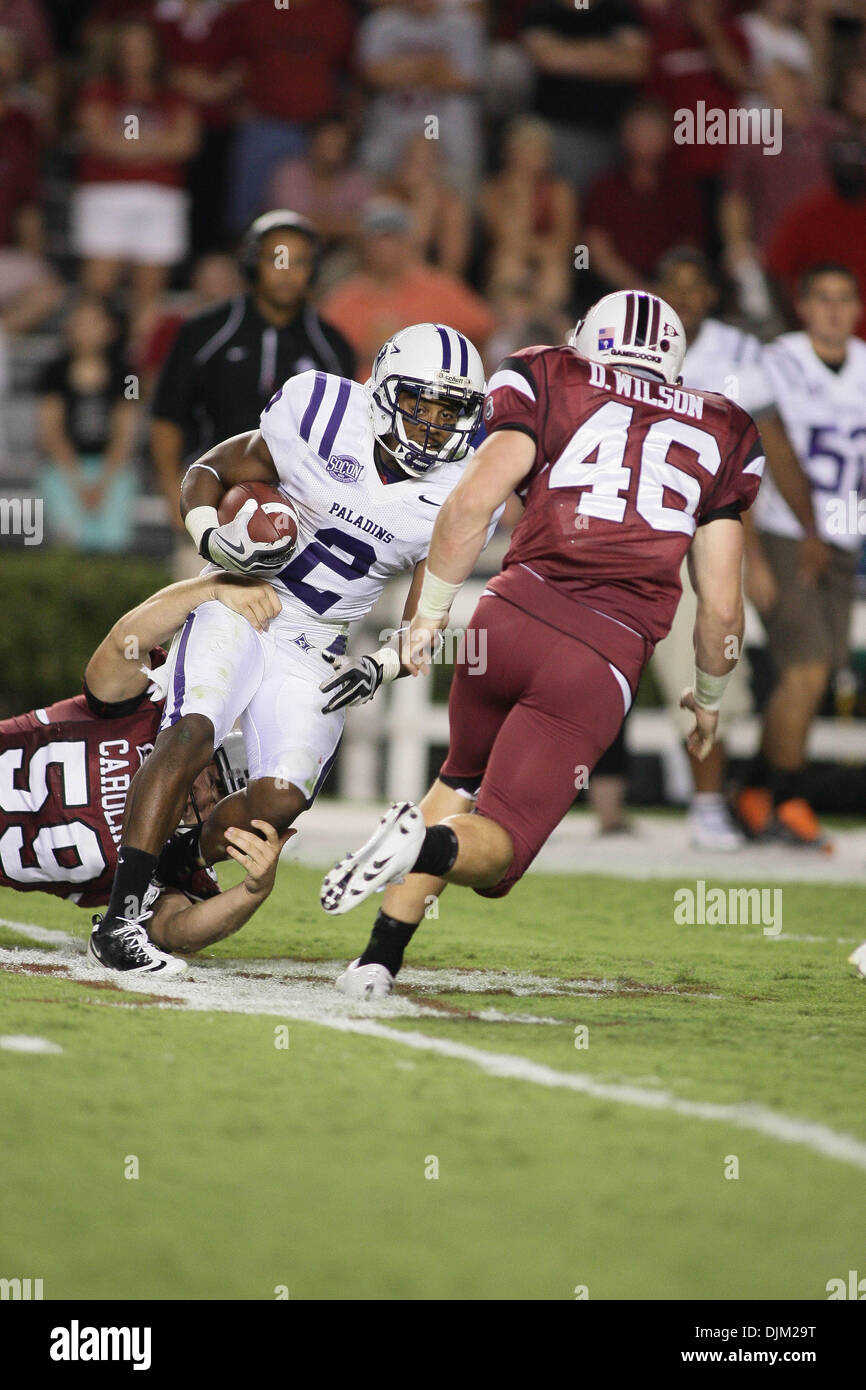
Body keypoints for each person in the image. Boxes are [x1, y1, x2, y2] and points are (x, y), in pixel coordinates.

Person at [320, 288, 765, 998]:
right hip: (596, 656)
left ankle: (376, 961)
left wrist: (427, 622)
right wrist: (707, 697)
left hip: (506, 619)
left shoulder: (550, 373)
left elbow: (471, 504)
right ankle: (414, 846)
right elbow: (722, 607)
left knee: (457, 782)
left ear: (589, 337)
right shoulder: (724, 426)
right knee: (495, 852)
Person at [91, 322, 498, 975]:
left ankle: (178, 858)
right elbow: (209, 470)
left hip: (317, 644)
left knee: (280, 800)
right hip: (241, 600)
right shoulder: (322, 410)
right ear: (384, 389)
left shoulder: (463, 489)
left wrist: (382, 665)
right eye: (419, 404)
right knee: (193, 729)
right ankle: (118, 921)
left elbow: (424, 623)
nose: (431, 426)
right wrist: (210, 542)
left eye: (449, 411)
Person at [0, 571, 290, 974]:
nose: (207, 797)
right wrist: (208, 589)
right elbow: (124, 644)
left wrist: (253, 891)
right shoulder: (144, 710)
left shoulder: (175, 863)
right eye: (215, 778)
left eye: (221, 801)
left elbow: (174, 931)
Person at [651, 248, 822, 850]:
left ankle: (709, 798)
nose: (685, 296)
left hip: (708, 529)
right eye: (674, 284)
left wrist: (807, 528)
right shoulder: (624, 337)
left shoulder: (738, 355)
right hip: (634, 526)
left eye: (697, 285)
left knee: (714, 664)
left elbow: (765, 449)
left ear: (713, 296)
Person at [734, 263, 866, 849]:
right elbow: (759, 449)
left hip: (845, 536)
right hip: (791, 533)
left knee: (809, 677)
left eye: (845, 299)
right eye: (823, 298)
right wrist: (760, 550)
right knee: (808, 669)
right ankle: (787, 801)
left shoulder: (863, 364)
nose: (835, 310)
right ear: (803, 305)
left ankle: (755, 791)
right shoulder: (775, 361)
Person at [150, 209, 355, 566]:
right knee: (198, 612)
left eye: (300, 260)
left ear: (315, 270)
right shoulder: (203, 333)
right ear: (250, 263)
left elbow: (346, 437)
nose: (287, 270)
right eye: (276, 257)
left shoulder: (334, 347)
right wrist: (175, 494)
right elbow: (167, 416)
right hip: (213, 498)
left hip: (301, 519)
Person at [321, 198, 494, 380]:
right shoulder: (343, 300)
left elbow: (485, 330)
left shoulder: (440, 289)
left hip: (430, 397)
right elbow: (322, 352)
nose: (386, 248)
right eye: (379, 240)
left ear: (408, 243)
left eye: (394, 239)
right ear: (363, 246)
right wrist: (359, 353)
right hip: (360, 398)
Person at [37, 295, 139, 553]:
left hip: (112, 467)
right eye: (80, 323)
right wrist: (78, 481)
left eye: (93, 323)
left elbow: (126, 431)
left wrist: (103, 482)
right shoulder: (53, 372)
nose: (86, 331)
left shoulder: (129, 375)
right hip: (66, 466)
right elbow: (51, 431)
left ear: (110, 329)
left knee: (113, 541)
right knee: (68, 538)